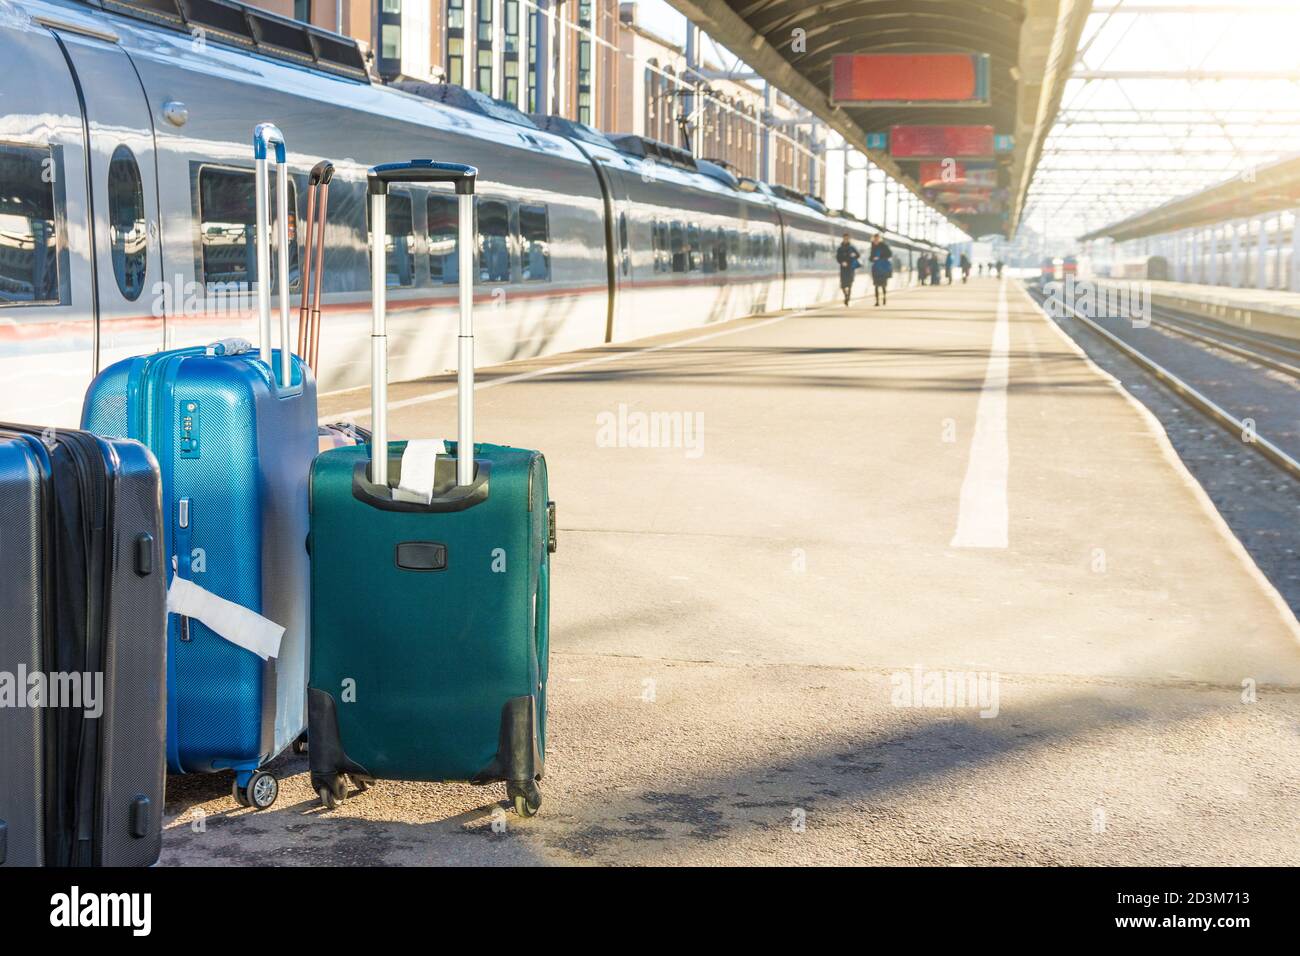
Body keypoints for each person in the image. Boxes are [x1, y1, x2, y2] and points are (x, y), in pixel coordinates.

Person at [835, 233, 861, 306]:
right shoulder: (840, 248)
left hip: (850, 268)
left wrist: (854, 255)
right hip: (843, 268)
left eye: (847, 238)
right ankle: (846, 295)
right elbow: (837, 257)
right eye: (845, 238)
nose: (846, 239)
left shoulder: (852, 248)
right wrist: (841, 262)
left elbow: (858, 255)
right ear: (843, 238)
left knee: (849, 283)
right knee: (843, 285)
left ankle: (848, 298)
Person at [869, 233, 893, 306]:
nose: (876, 240)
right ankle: (877, 301)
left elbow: (889, 254)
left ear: (879, 239)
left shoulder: (884, 246)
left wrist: (880, 257)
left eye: (877, 238)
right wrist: (872, 258)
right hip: (876, 269)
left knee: (883, 285)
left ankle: (884, 298)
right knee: (876, 285)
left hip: (883, 269)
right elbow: (870, 257)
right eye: (875, 238)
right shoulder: (872, 246)